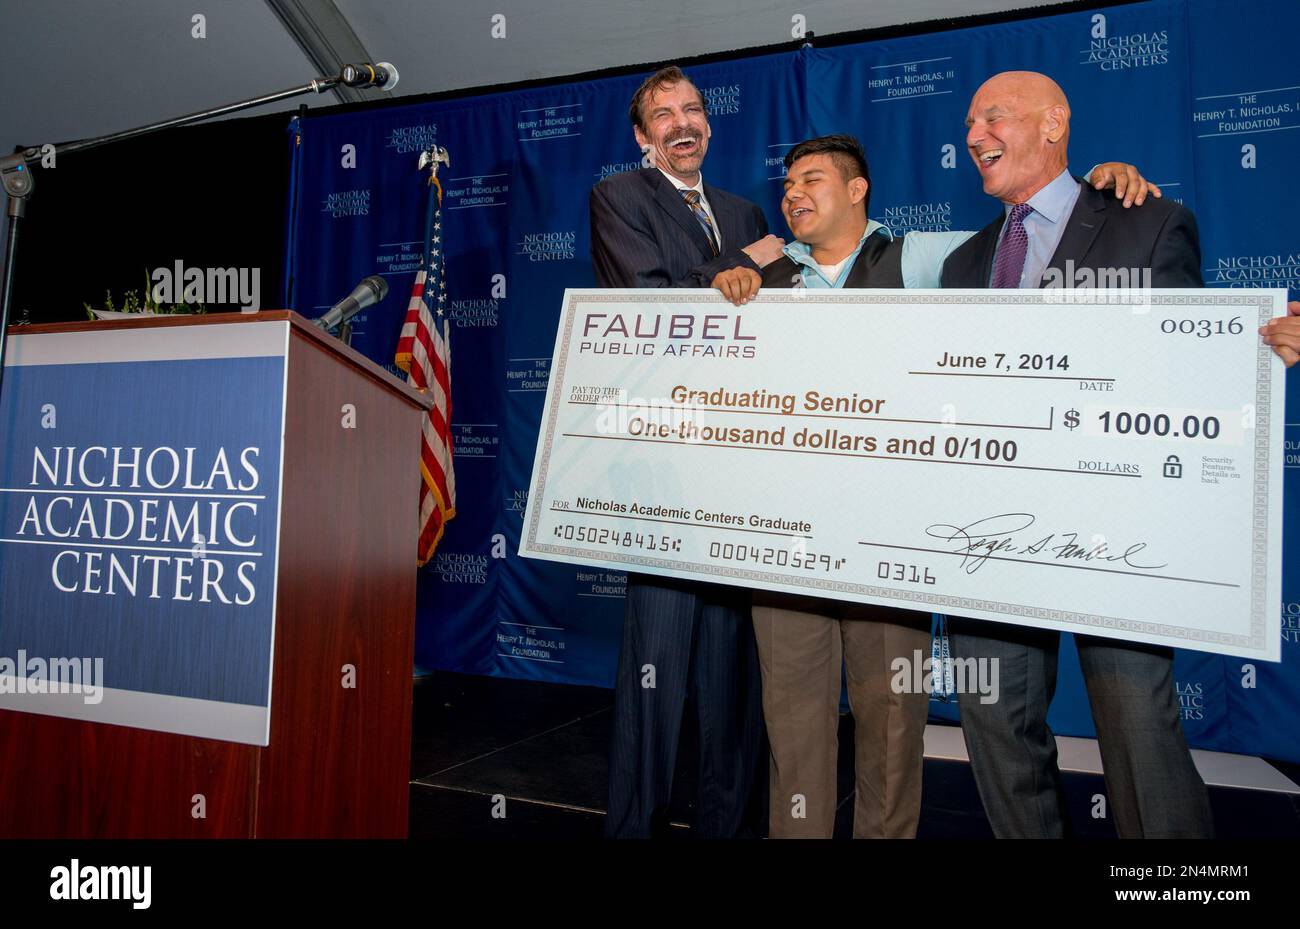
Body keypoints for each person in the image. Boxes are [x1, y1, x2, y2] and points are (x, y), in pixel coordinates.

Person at [711, 135, 1160, 838]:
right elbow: (693, 327)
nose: (793, 193)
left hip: (893, 538)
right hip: (787, 539)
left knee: (893, 721)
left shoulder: (921, 257)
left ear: (857, 190)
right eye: (788, 183)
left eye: (812, 179)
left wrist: (1096, 188)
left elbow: (1030, 248)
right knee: (792, 721)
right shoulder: (763, 268)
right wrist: (725, 277)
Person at [938, 70, 1300, 838]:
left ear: (1054, 123)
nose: (973, 136)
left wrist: (1264, 350)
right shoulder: (963, 263)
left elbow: (1190, 360)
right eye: (968, 124)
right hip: (992, 533)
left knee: (1139, 730)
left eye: (993, 118)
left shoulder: (1147, 220)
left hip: (1118, 533)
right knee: (996, 728)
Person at [588, 65, 780, 838]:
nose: (682, 123)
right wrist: (739, 267)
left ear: (710, 122)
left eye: (692, 109)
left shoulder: (744, 210)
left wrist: (753, 261)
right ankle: (634, 826)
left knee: (732, 674)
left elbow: (772, 324)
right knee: (656, 668)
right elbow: (651, 303)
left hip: (737, 465)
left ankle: (725, 826)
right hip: (661, 463)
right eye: (663, 114)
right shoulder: (619, 197)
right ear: (643, 136)